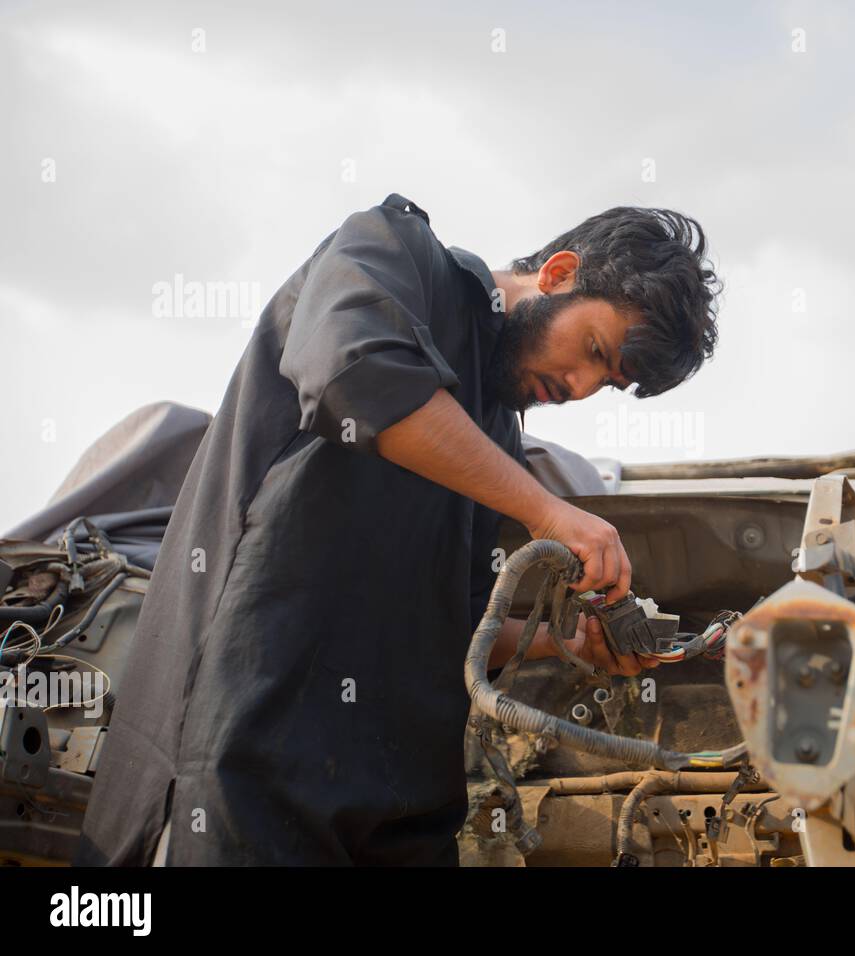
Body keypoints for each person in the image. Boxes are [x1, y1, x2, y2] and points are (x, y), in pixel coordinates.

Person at [75, 193, 721, 865]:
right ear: (559, 272)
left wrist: (559, 643)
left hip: (397, 810)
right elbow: (349, 375)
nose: (582, 385)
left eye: (608, 383)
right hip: (249, 759)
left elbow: (457, 629)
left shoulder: (498, 435)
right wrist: (546, 509)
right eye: (593, 349)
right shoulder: (395, 251)